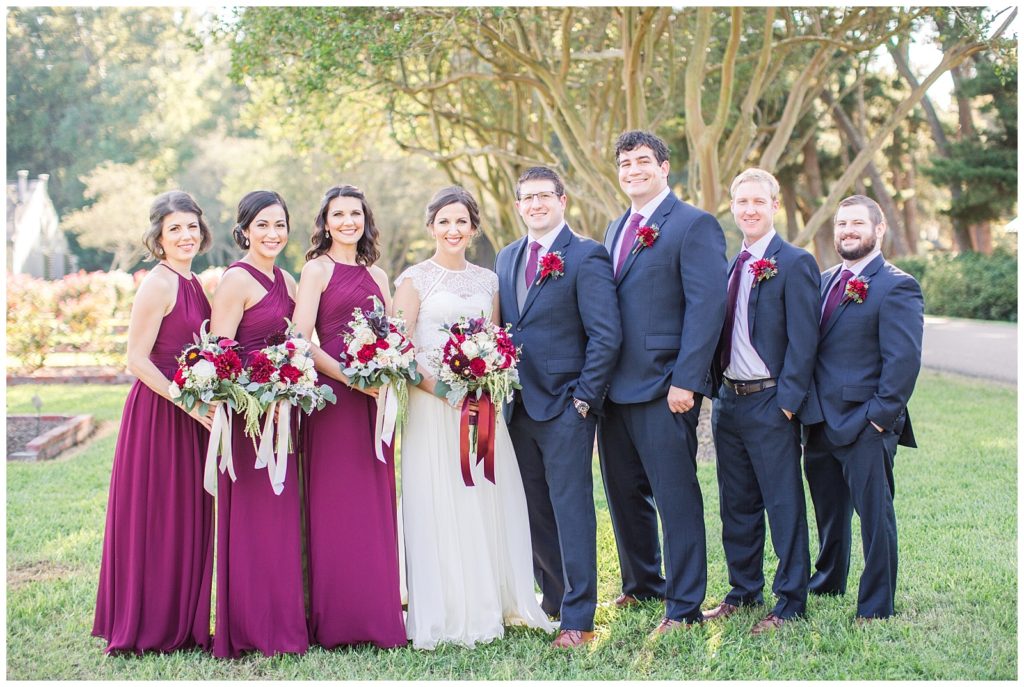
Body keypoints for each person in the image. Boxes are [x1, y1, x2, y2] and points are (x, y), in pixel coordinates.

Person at [394, 186, 555, 650]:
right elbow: (398, 350)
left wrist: (484, 381)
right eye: (444, 221)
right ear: (431, 227)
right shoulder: (414, 280)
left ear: (473, 228)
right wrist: (444, 390)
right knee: (439, 497)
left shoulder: (488, 281)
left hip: (482, 410)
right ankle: (445, 607)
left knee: (483, 495)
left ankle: (491, 598)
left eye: (461, 221)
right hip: (434, 407)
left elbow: (497, 343)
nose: (453, 230)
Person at [597, 129, 727, 635]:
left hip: (665, 386)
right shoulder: (614, 228)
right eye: (625, 163)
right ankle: (642, 582)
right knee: (623, 491)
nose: (634, 170)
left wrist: (687, 380)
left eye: (643, 161)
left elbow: (707, 307)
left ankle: (685, 606)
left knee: (675, 497)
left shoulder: (694, 225)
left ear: (665, 166)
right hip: (615, 387)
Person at [494, 167, 621, 648]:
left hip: (568, 406)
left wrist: (585, 399)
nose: (535, 204)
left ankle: (579, 618)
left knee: (571, 509)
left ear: (562, 200)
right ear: (519, 204)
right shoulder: (507, 258)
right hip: (517, 408)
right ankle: (551, 602)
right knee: (535, 510)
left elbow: (605, 335)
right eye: (527, 197)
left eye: (544, 195)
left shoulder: (586, 255)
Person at [93, 190, 216, 654]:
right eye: (175, 229)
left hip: (189, 414)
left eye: (191, 227)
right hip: (159, 415)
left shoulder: (194, 283)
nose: (186, 236)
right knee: (158, 516)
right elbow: (136, 359)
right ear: (159, 238)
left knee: (187, 516)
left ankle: (182, 624)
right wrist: (184, 400)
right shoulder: (159, 283)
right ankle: (148, 627)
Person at [291, 185, 406, 649]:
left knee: (371, 503)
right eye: (337, 214)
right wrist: (348, 377)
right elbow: (300, 340)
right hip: (334, 401)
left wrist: (385, 369)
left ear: (365, 219)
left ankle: (376, 613)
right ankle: (335, 619)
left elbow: (393, 332)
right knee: (334, 505)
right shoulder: (315, 270)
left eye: (354, 214)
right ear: (325, 222)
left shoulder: (377, 274)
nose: (347, 222)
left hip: (374, 400)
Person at [705, 168, 819, 634]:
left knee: (782, 503)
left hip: (771, 402)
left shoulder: (794, 262)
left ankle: (790, 601)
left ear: (774, 206)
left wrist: (787, 403)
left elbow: (806, 341)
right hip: (728, 402)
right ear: (732, 207)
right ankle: (742, 591)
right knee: (736, 504)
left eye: (758, 201)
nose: (749, 209)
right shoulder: (730, 265)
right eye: (741, 202)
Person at [802, 194, 924, 621]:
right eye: (841, 225)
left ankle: (875, 604)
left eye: (857, 224)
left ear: (879, 229)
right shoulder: (823, 280)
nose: (848, 231)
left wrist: (877, 419)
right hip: (818, 421)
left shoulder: (897, 285)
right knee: (829, 512)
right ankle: (829, 579)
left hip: (865, 423)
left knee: (875, 517)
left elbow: (903, 363)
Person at [209, 190, 306, 658]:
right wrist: (259, 392)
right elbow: (220, 353)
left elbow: (294, 343)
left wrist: (290, 384)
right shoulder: (236, 280)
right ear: (244, 230)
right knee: (252, 522)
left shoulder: (287, 278)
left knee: (281, 520)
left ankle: (285, 623)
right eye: (262, 225)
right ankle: (251, 628)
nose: (272, 234)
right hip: (249, 422)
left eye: (280, 225)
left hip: (283, 417)